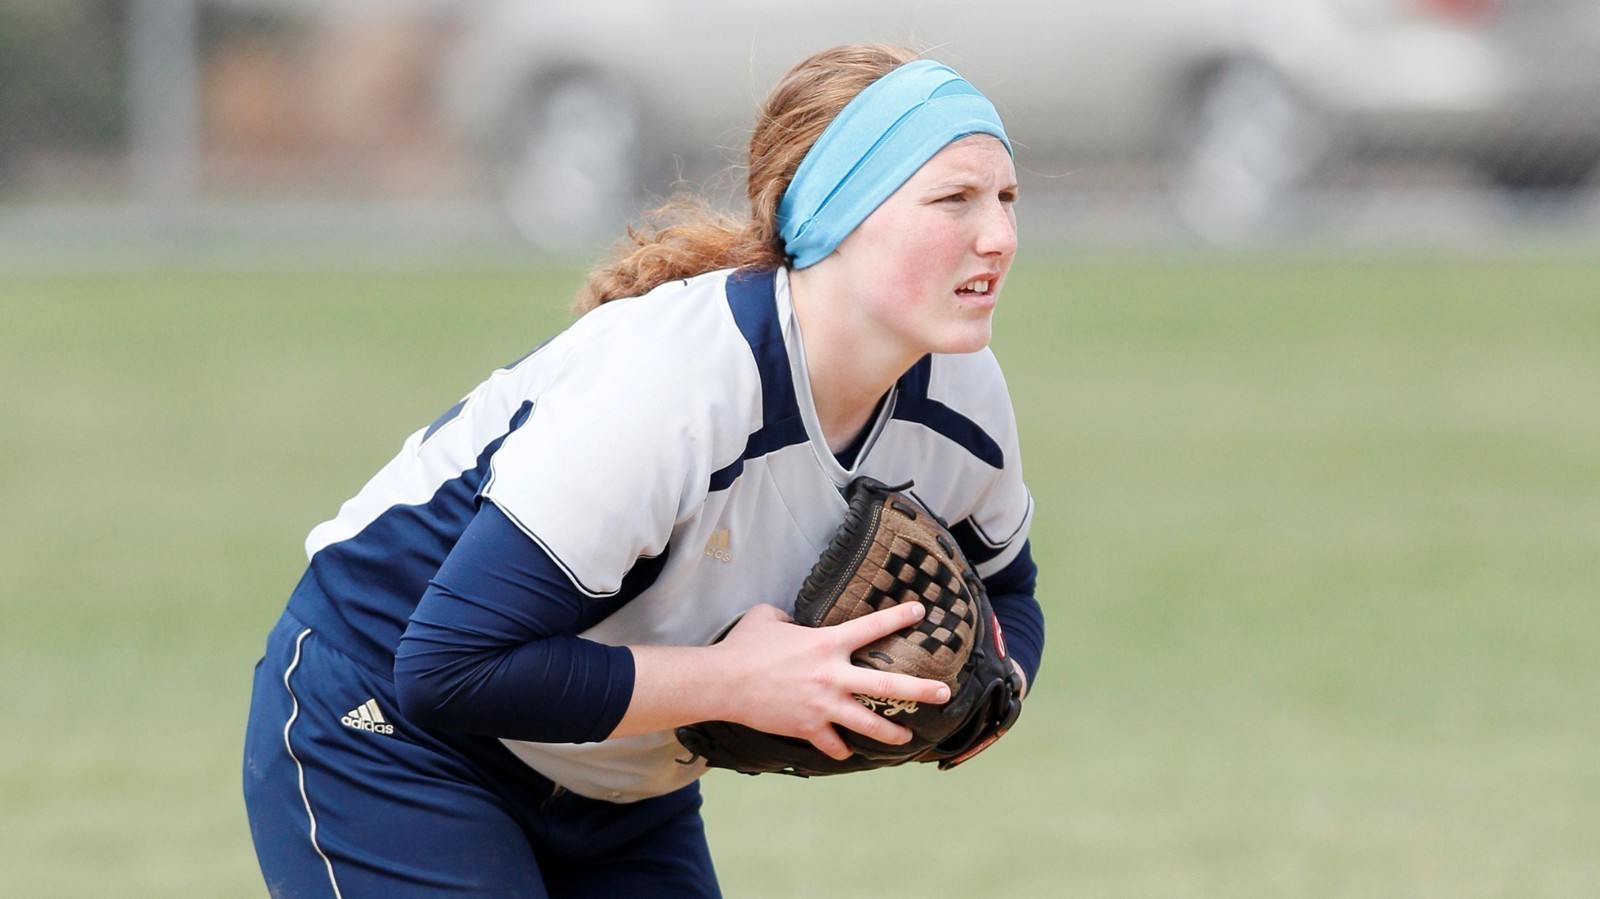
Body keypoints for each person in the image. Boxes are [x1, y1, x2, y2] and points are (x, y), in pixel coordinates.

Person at [242, 42, 1045, 897]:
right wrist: (739, 682)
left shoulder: (960, 391)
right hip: (390, 729)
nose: (997, 235)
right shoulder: (677, 386)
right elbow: (447, 669)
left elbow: (1010, 592)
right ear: (840, 216)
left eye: (1005, 198)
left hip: (622, 786)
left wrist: (989, 689)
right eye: (953, 199)